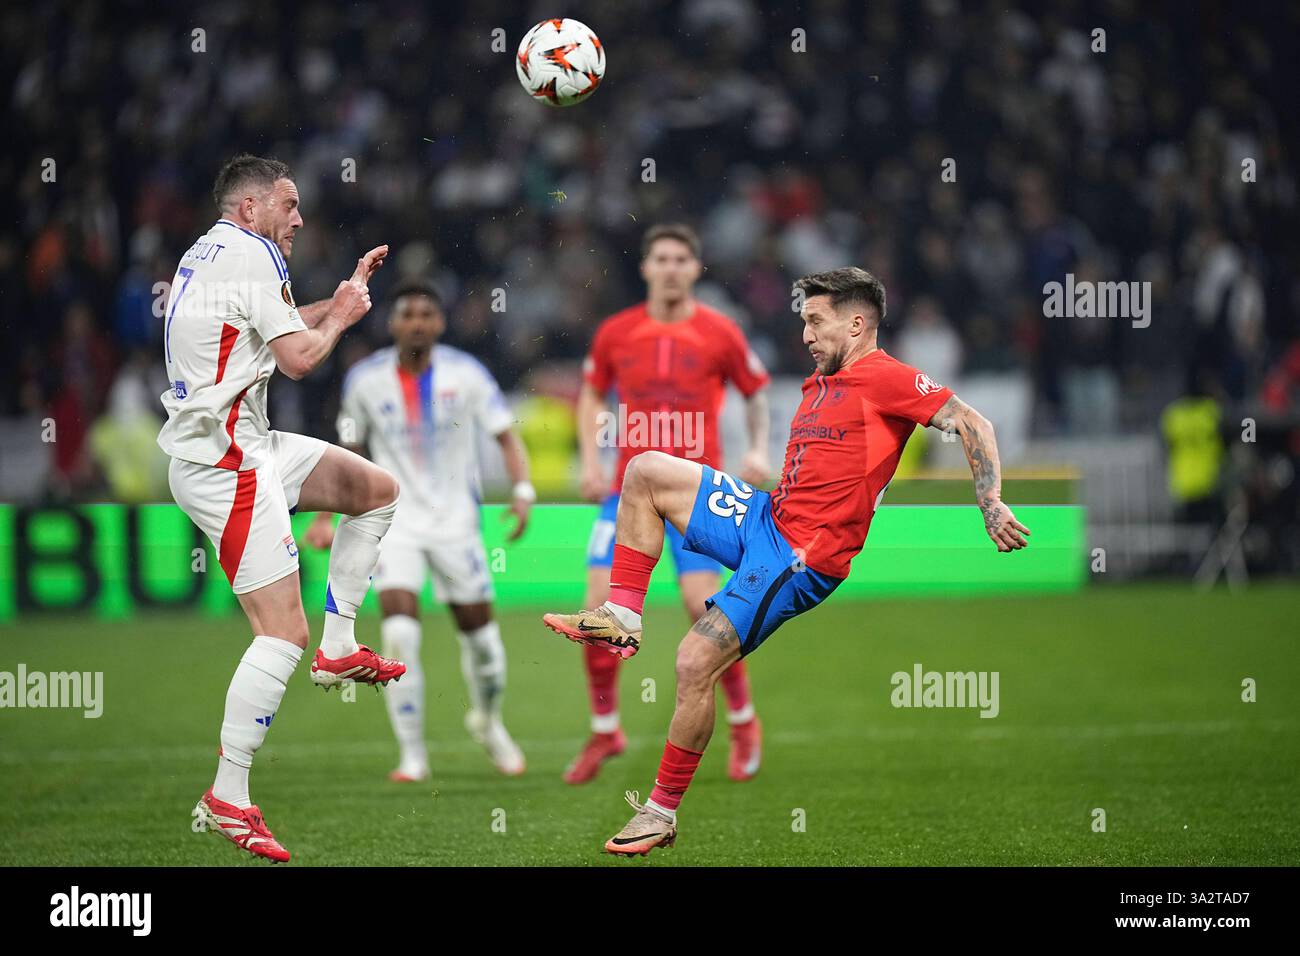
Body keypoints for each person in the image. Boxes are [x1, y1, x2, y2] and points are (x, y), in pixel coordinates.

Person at [543, 266, 1031, 856]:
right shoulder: (820, 382)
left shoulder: (889, 378)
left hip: (802, 556)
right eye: (804, 321)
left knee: (694, 661)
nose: (805, 334)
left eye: (816, 321)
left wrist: (990, 502)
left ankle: (660, 812)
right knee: (644, 469)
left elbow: (973, 422)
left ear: (857, 324)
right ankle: (622, 614)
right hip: (764, 518)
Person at [161, 153, 405, 863]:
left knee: (375, 491)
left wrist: (338, 299)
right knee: (280, 634)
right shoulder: (254, 254)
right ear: (252, 207)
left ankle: (341, 647)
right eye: (288, 204)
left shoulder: (212, 251)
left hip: (248, 443)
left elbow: (277, 327)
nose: (298, 218)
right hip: (226, 462)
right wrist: (346, 319)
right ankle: (227, 795)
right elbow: (300, 360)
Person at [567, 223, 773, 785]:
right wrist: (590, 460)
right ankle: (605, 729)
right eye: (661, 258)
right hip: (627, 495)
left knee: (706, 612)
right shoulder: (616, 332)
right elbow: (591, 392)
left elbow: (756, 391)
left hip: (697, 496)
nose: (671, 268)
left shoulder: (720, 331)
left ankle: (743, 721)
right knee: (596, 612)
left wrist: (758, 447)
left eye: (682, 259)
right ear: (646, 268)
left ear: (695, 268)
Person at [306, 280, 534, 780]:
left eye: (426, 314)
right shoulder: (365, 380)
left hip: (456, 524)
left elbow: (505, 435)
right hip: (396, 523)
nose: (416, 323)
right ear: (392, 323)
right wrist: (325, 514)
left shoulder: (467, 374)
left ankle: (487, 721)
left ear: (439, 323)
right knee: (399, 633)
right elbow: (348, 450)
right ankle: (412, 753)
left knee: (482, 642)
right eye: (407, 314)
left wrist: (522, 491)